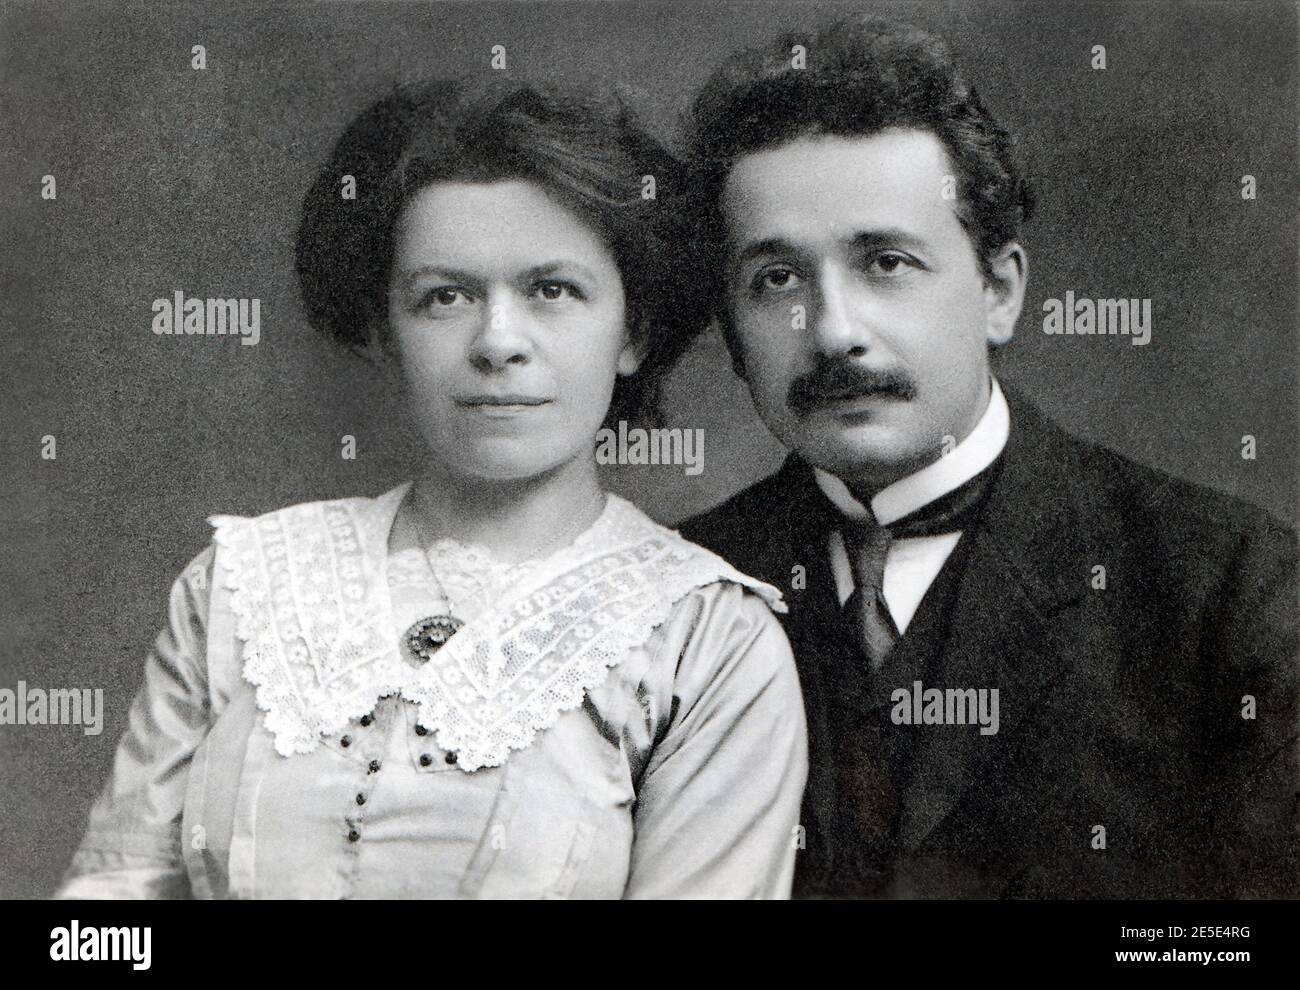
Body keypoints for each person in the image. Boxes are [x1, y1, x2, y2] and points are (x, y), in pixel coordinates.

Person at [57, 78, 807, 899]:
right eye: (444, 297)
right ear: (384, 331)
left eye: (553, 290)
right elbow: (100, 920)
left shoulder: (705, 640)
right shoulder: (239, 584)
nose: (497, 342)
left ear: (633, 332)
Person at [678, 16, 1298, 898]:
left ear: (999, 291)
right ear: (733, 333)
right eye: (777, 279)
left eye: (886, 262)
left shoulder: (1228, 588)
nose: (835, 331)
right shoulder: (672, 592)